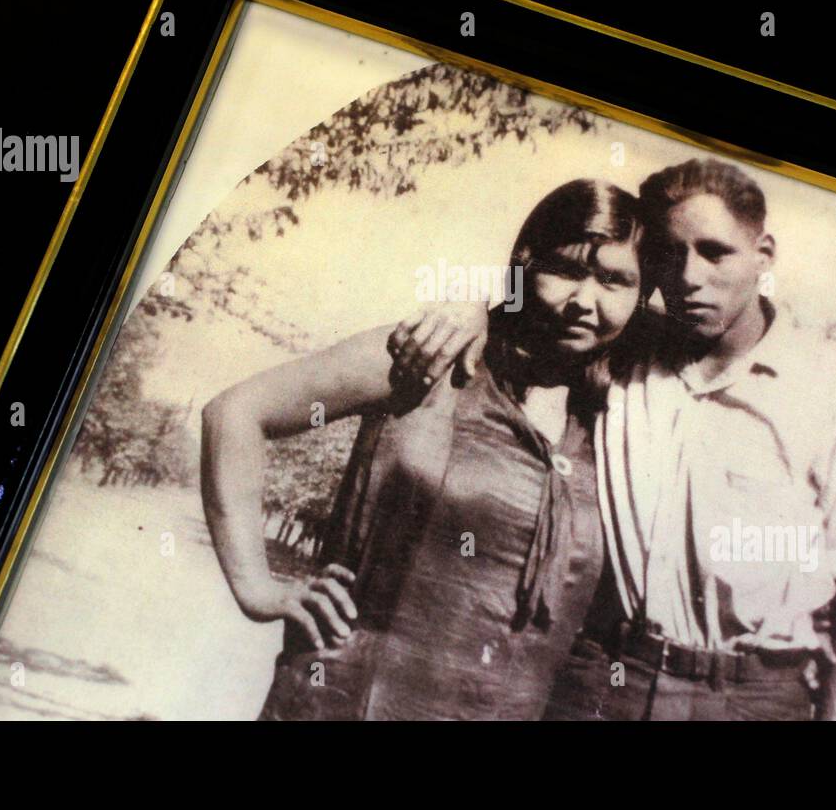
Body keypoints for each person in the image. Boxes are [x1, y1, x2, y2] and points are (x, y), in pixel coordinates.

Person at [391, 158, 836, 720]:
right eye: (667, 253)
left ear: (764, 255)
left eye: (715, 252)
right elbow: (545, 308)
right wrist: (475, 312)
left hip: (753, 696)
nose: (688, 276)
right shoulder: (623, 351)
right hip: (605, 677)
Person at [200, 179, 645, 719]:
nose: (584, 302)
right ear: (525, 265)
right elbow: (238, 413)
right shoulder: (431, 356)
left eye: (615, 280)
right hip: (346, 699)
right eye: (566, 270)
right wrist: (258, 588)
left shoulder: (622, 419)